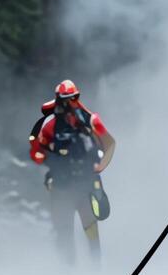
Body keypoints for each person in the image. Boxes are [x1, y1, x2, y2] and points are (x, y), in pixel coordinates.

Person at [30, 79, 116, 264]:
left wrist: (100, 166)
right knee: (64, 231)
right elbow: (36, 151)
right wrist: (53, 158)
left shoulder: (89, 121)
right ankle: (68, 271)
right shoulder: (49, 125)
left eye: (74, 98)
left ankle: (96, 266)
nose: (70, 103)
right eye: (66, 99)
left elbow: (109, 143)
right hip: (62, 187)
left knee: (90, 226)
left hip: (85, 185)